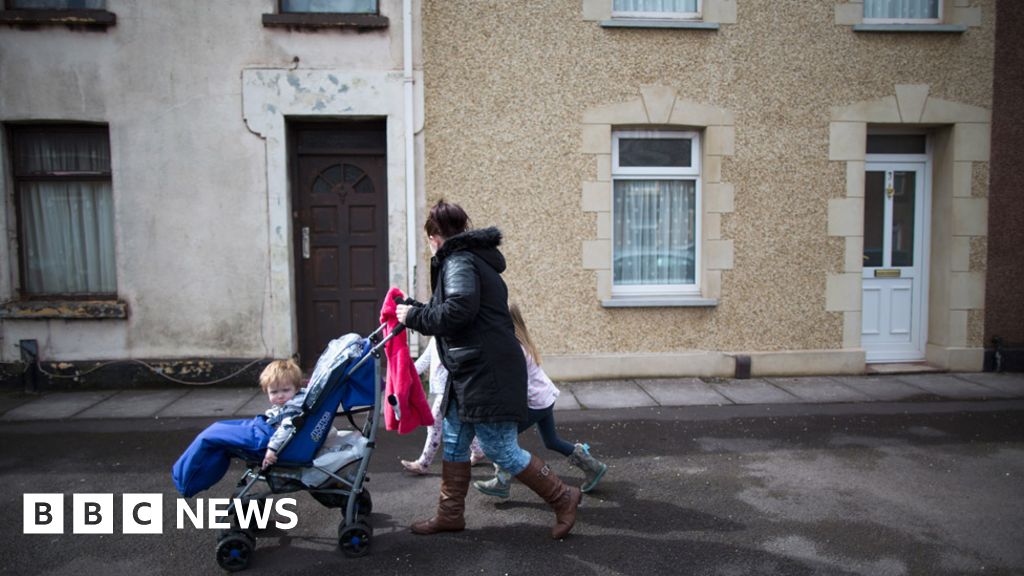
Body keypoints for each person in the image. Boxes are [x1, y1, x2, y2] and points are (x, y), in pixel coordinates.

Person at [396, 199, 581, 540]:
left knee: (500, 449)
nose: (430, 244)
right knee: (453, 440)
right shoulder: (470, 259)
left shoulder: (458, 261)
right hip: (469, 370)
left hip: (486, 372)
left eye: (429, 237)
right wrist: (413, 309)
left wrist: (415, 319)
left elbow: (458, 312)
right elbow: (452, 308)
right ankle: (449, 515)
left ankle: (563, 496)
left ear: (436, 236)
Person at [473, 303, 608, 498]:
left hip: (535, 402)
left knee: (500, 439)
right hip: (545, 398)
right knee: (551, 441)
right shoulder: (523, 341)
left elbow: (511, 382)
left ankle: (501, 482)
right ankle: (593, 467)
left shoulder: (514, 347)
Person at [400, 336, 486, 474]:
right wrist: (404, 376)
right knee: (462, 423)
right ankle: (478, 451)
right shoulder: (435, 339)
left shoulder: (451, 338)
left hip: (450, 390)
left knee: (434, 423)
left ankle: (423, 463)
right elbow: (425, 360)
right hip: (444, 391)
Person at [259, 358, 306, 470]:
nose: (280, 396)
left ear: (297, 389)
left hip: (287, 444)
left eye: (285, 390)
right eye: (274, 392)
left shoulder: (293, 409)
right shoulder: (289, 402)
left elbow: (286, 428)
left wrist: (271, 449)